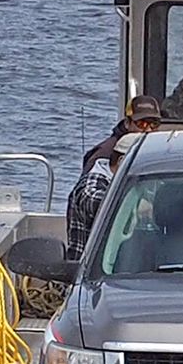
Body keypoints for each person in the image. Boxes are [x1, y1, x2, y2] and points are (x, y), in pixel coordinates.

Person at [65, 96, 161, 259]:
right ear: (127, 123)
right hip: (89, 261)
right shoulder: (102, 156)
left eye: (154, 124)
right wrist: (139, 205)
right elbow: (92, 201)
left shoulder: (149, 150)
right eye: (142, 124)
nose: (148, 130)